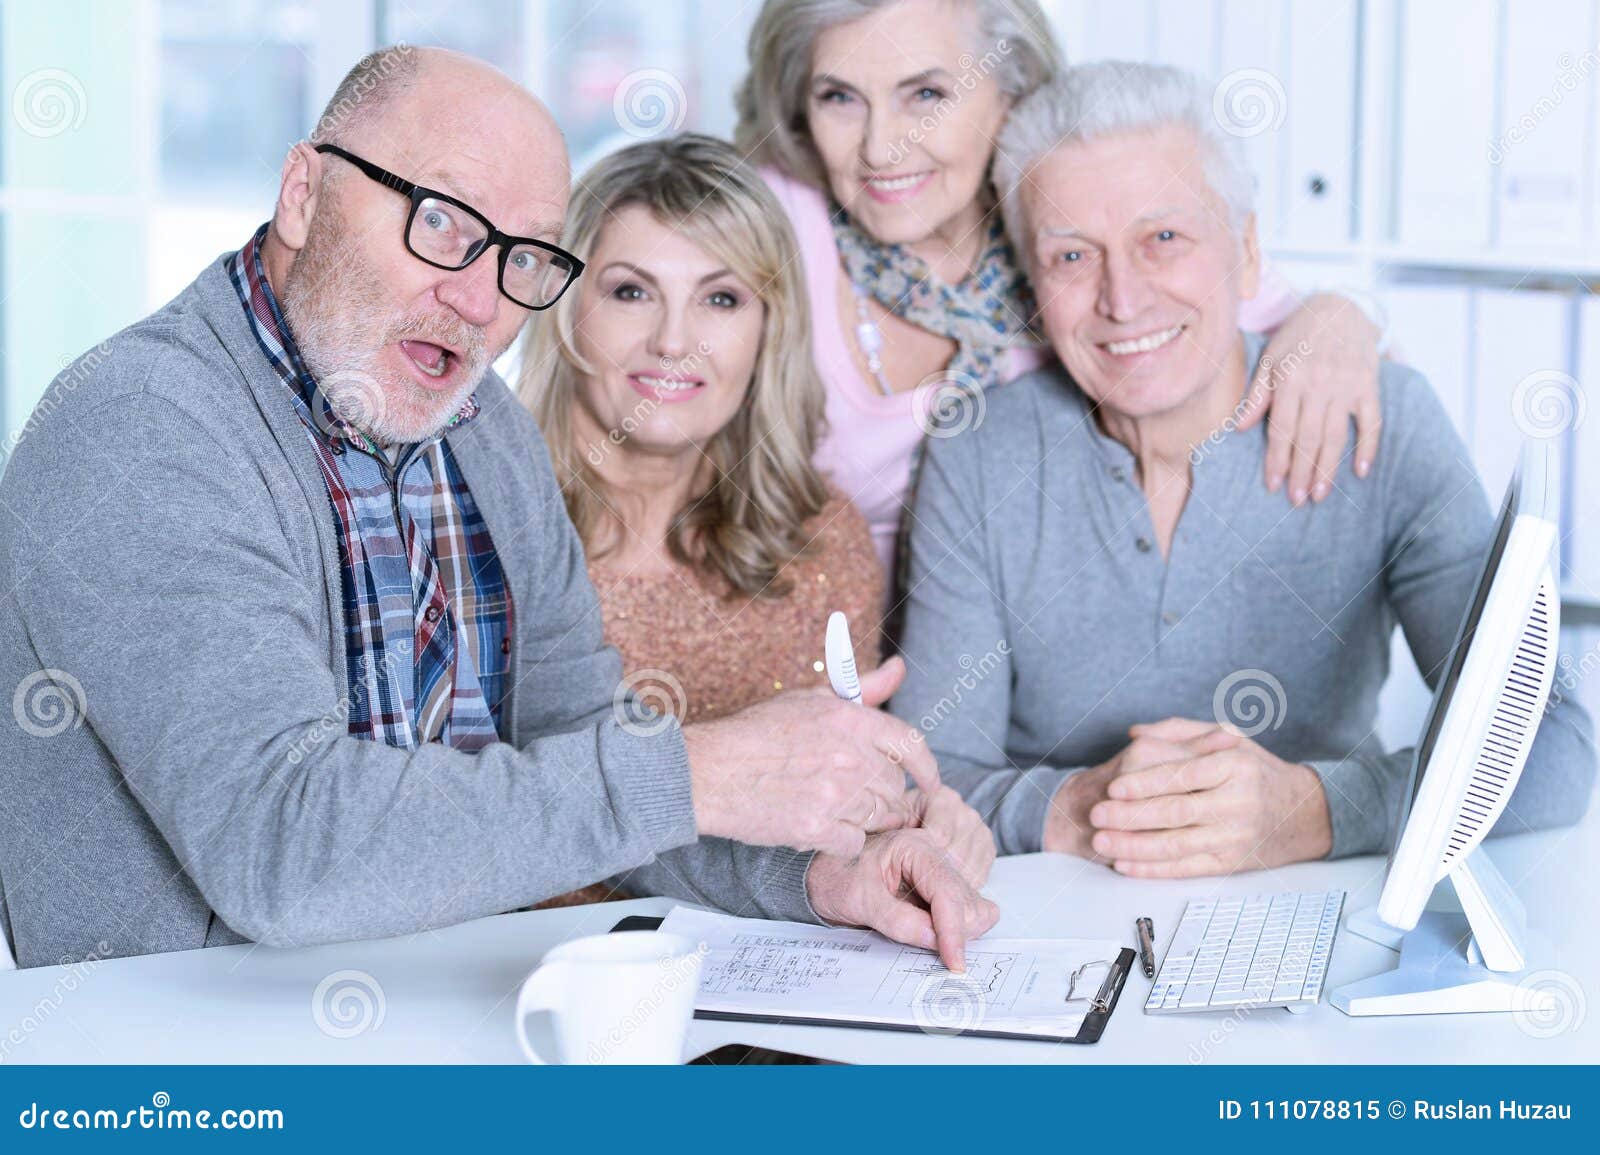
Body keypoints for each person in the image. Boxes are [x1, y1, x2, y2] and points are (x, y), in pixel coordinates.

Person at [0, 47, 996, 971]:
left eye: (523, 258)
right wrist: (703, 771)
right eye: (442, 223)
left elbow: (583, 765)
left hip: (455, 1019)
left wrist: (815, 880)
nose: (481, 303)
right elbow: (285, 852)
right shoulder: (141, 428)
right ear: (303, 195)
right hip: (194, 1075)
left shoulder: (479, 429)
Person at [890, 60, 1596, 874]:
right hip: (1047, 928)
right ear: (1034, 285)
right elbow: (930, 777)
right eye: (1073, 257)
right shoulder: (979, 453)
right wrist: (1074, 809)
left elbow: (1552, 750)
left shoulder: (1382, 419)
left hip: (1306, 913)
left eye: (1164, 239)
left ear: (1248, 251)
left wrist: (1314, 809)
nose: (1124, 299)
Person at [736, 0, 1386, 588]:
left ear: (1013, 95)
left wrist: (1341, 316)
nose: (881, 147)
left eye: (926, 93)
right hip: (796, 656)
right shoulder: (769, 222)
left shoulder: (1082, 233)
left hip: (1024, 670)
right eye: (839, 98)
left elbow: (1267, 299)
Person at [518, 134, 996, 901]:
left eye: (721, 298)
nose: (674, 340)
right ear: (568, 307)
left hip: (757, 966)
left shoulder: (815, 540)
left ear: (768, 329)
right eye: (630, 292)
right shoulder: (480, 525)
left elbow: (834, 820)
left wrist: (915, 823)